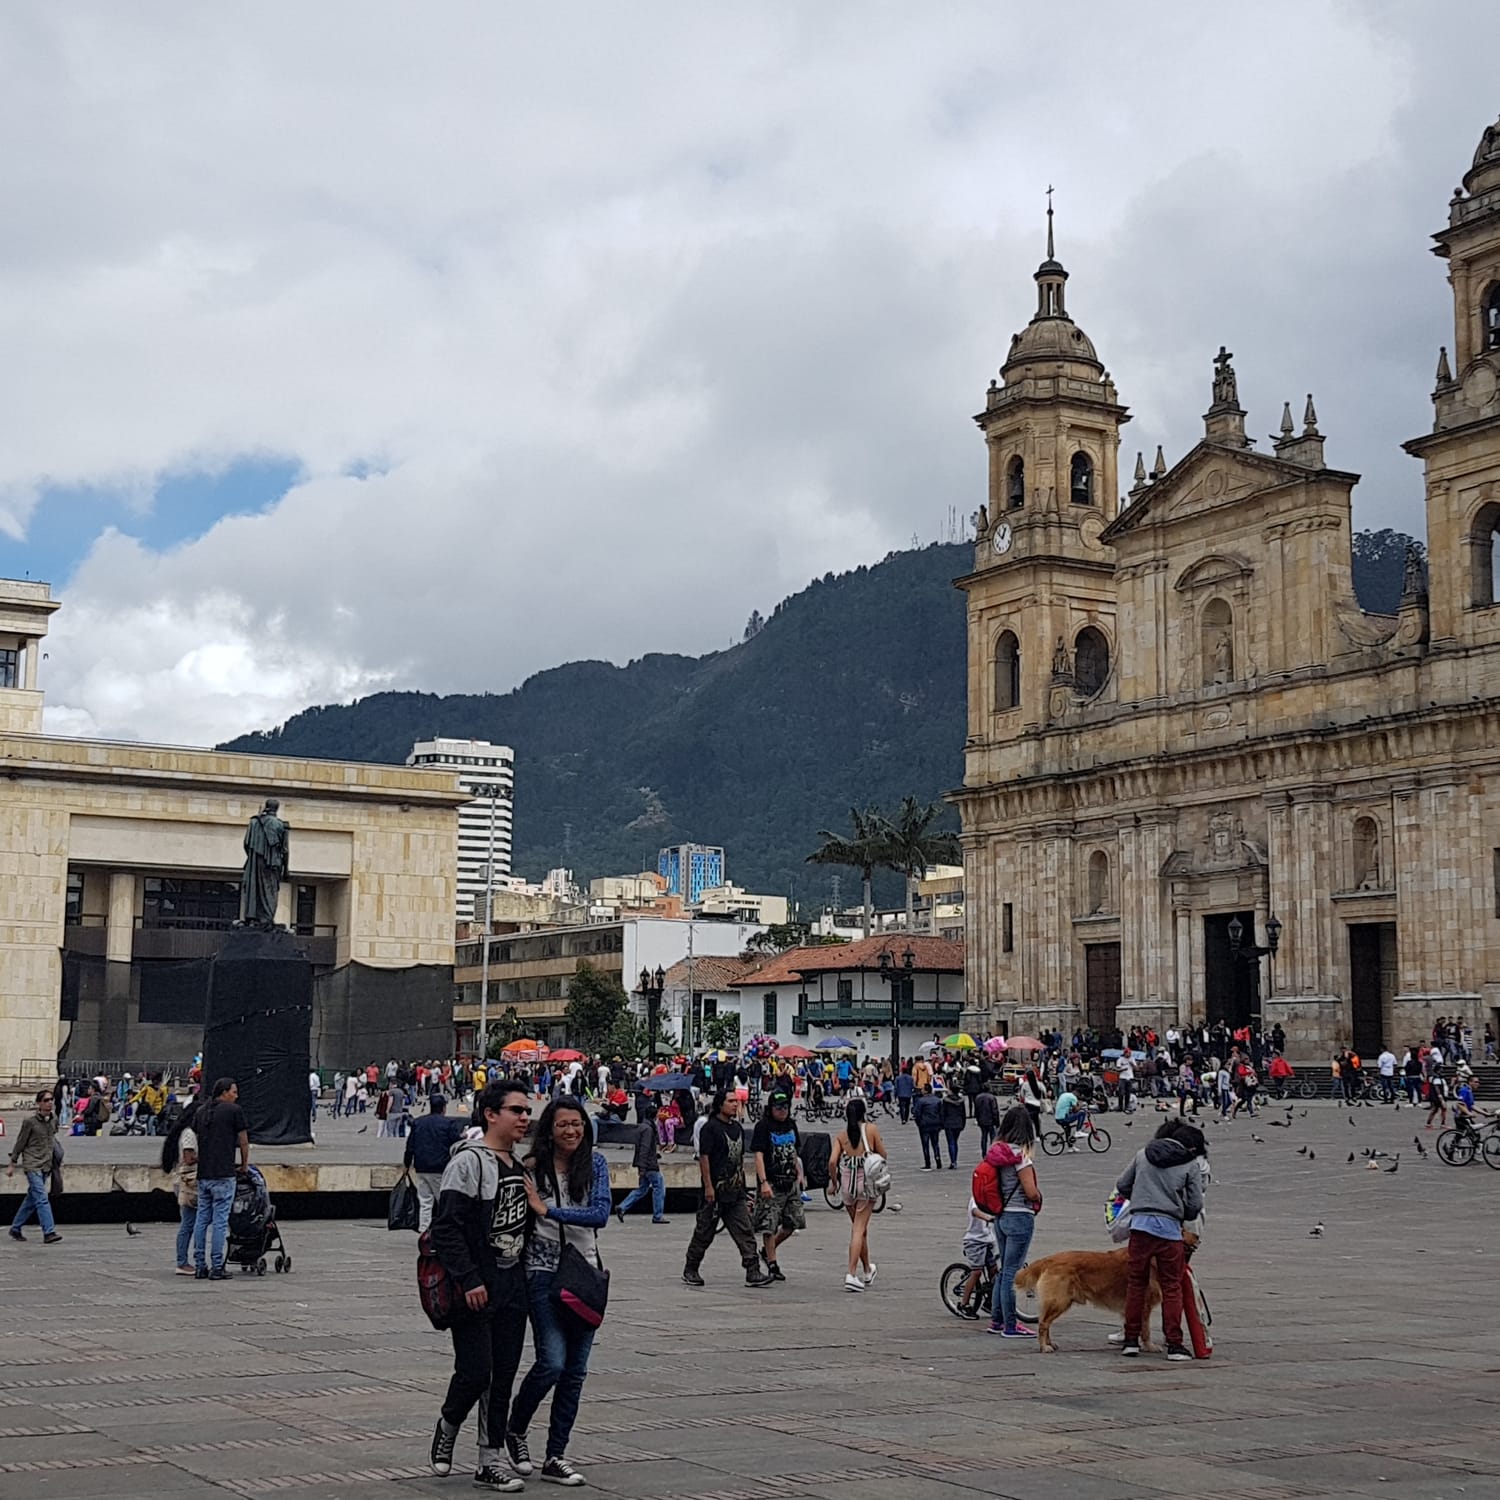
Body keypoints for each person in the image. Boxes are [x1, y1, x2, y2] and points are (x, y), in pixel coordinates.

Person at [428, 1079, 534, 1492]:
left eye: (526, 1111)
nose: (525, 1118)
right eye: (516, 1110)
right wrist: (469, 1278)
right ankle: (449, 1422)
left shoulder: (519, 1166)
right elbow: (447, 1227)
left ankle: (489, 1461)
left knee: (503, 1375)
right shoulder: (469, 1163)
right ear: (491, 1114)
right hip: (476, 1287)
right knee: (475, 1372)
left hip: (513, 1285)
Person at [504, 1097, 609, 1487]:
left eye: (578, 1124)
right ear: (549, 1129)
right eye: (564, 1124)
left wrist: (549, 1211)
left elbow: (600, 1213)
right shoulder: (532, 1169)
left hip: (584, 1271)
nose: (572, 1131)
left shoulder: (594, 1164)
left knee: (575, 1372)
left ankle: (556, 1455)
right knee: (552, 1361)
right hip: (541, 1272)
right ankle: (515, 1428)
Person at [1114, 1118, 1206, 1362]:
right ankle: (1174, 1344)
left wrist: (1142, 1196)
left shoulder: (1143, 1154)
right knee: (1171, 1286)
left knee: (1136, 1283)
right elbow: (1195, 1204)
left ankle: (1131, 1340)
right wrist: (1179, 1209)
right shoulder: (1190, 1163)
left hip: (1141, 1226)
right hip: (1169, 1230)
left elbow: (1122, 1185)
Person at [682, 1090, 774, 1290]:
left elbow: (739, 1160)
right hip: (714, 1191)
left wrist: (743, 1185)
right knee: (704, 1232)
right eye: (731, 1101)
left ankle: (753, 1270)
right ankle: (691, 1267)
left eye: (737, 1101)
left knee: (745, 1231)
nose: (735, 1105)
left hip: (735, 1192)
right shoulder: (710, 1128)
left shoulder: (738, 1128)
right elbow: (704, 1158)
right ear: (720, 1104)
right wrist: (708, 1186)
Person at [973, 1104, 1040, 1337]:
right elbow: (1030, 1191)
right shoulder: (1020, 1157)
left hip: (1000, 1216)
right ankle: (1011, 1325)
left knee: (1004, 1271)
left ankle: (997, 1321)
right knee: (1012, 1272)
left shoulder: (996, 1154)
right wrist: (1039, 1197)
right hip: (1020, 1215)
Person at [826, 1097, 886, 1293]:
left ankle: (867, 1269)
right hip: (866, 1184)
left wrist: (834, 1184)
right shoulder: (871, 1130)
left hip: (847, 1184)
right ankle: (851, 1274)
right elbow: (883, 1154)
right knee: (858, 1230)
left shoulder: (842, 1136)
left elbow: (832, 1162)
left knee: (860, 1229)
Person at [192, 1078, 249, 1280]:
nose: (236, 1095)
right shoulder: (234, 1111)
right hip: (224, 1173)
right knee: (220, 1221)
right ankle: (217, 1266)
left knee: (201, 1219)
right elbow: (243, 1141)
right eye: (234, 1092)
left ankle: (200, 1264)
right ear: (224, 1092)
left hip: (204, 1173)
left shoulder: (201, 1112)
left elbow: (197, 1138)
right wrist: (243, 1165)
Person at [750, 1090, 804, 1280]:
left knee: (793, 1222)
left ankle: (767, 1251)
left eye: (785, 1107)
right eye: (778, 1107)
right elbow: (758, 1155)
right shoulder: (763, 1127)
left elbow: (794, 1151)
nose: (782, 1111)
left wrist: (800, 1172)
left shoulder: (791, 1125)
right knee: (769, 1225)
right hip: (772, 1181)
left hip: (790, 1181)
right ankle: (772, 1264)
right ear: (771, 1108)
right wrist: (763, 1182)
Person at [7, 1090, 62, 1244]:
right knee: (42, 1199)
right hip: (32, 1164)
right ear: (39, 1103)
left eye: (52, 1100)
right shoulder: (30, 1121)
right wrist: (13, 1163)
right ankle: (49, 1231)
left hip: (46, 1164)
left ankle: (15, 1228)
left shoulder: (53, 1119)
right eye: (46, 1100)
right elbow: (20, 1142)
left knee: (32, 1198)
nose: (50, 1103)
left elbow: (52, 1138)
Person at [405, 1096, 466, 1232]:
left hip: (421, 1167)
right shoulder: (448, 1123)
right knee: (443, 1200)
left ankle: (423, 1228)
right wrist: (464, 1137)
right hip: (440, 1168)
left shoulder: (418, 1122)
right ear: (443, 1108)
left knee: (425, 1200)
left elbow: (410, 1145)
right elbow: (456, 1143)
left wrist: (407, 1163)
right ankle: (446, 1228)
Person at [160, 1101, 199, 1273]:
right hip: (187, 1182)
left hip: (182, 1180)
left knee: (190, 1222)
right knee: (189, 1223)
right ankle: (182, 1261)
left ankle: (185, 1259)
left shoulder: (182, 1132)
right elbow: (189, 1158)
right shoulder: (189, 1134)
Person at [615, 1110, 668, 1225]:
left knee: (642, 1189)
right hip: (650, 1165)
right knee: (659, 1188)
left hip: (644, 1163)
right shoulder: (648, 1130)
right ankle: (658, 1216)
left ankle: (623, 1206)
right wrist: (643, 1167)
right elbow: (645, 1148)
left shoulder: (642, 1127)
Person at [954, 1193, 998, 1319]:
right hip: (974, 1241)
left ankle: (990, 1300)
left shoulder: (994, 1198)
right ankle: (964, 1304)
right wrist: (988, 1218)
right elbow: (975, 1211)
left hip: (989, 1239)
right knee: (977, 1272)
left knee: (994, 1270)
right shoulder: (977, 1198)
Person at [913, 1085, 942, 1170]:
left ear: (925, 1091)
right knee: (935, 1143)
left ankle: (927, 1162)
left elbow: (917, 1113)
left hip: (924, 1124)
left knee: (925, 1144)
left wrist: (919, 1123)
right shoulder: (937, 1100)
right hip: (935, 1123)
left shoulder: (921, 1101)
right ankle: (938, 1160)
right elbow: (941, 1112)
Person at [939, 1089, 967, 1169]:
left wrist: (942, 1123)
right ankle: (955, 1160)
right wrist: (963, 1124)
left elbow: (943, 1113)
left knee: (951, 1142)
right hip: (958, 1122)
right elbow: (963, 1113)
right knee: (955, 1142)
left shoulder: (946, 1101)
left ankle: (953, 1161)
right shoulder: (961, 1101)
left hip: (949, 1123)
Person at [1053, 1085, 1084, 1151]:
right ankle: (1078, 1131)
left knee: (1068, 1130)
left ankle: (1070, 1147)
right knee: (1082, 1113)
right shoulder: (1073, 1097)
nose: (1078, 1097)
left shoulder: (1065, 1094)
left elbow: (1070, 1109)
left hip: (1058, 1117)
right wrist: (1081, 1106)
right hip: (1063, 1118)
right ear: (1077, 1093)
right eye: (1079, 1095)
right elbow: (1075, 1110)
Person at [974, 1084, 1000, 1155]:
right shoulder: (992, 1097)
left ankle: (984, 1152)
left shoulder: (978, 1097)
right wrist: (997, 1122)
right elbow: (994, 1110)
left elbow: (976, 1110)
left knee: (984, 1137)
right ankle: (992, 1152)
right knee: (993, 1137)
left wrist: (977, 1119)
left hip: (981, 1120)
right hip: (991, 1120)